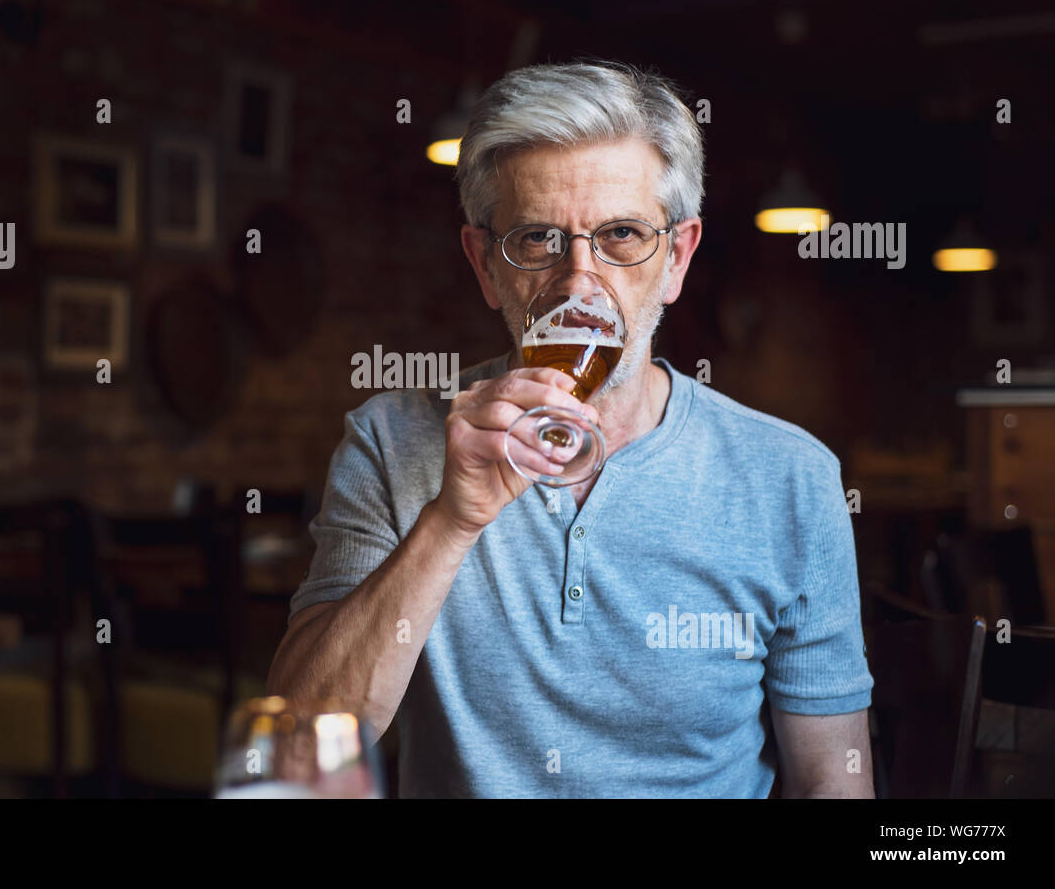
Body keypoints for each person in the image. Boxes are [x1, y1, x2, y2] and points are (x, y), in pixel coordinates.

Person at [267, 60, 874, 797]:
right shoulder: (391, 440)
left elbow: (833, 785)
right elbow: (301, 756)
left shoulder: (791, 476)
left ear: (677, 257)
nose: (578, 281)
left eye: (621, 235)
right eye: (537, 240)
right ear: (486, 266)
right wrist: (452, 523)